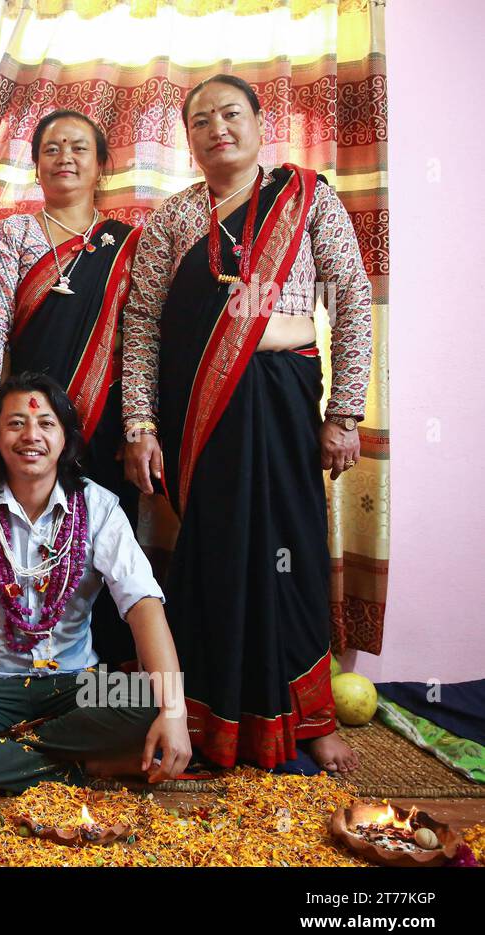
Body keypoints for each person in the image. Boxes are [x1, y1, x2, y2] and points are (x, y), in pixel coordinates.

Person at [120, 74, 373, 773]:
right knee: (215, 554)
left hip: (285, 400)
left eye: (230, 114)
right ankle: (211, 716)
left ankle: (312, 717)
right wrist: (140, 424)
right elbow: (140, 325)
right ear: (189, 138)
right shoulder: (172, 219)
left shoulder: (308, 196)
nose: (216, 129)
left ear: (261, 124)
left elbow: (350, 301)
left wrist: (345, 412)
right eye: (200, 120)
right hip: (199, 415)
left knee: (291, 551)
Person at [0, 371, 190, 794]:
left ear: (66, 439)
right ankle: (81, 767)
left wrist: (175, 712)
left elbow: (142, 602)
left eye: (46, 424)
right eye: (15, 423)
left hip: (77, 683)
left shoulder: (99, 506)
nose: (30, 435)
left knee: (150, 704)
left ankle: (11, 753)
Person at [0, 109, 142, 666]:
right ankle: (6, 668)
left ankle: (108, 681)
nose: (64, 158)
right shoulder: (12, 236)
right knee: (19, 546)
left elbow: (142, 341)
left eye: (79, 148)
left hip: (104, 427)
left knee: (105, 549)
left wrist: (141, 426)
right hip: (28, 429)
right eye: (51, 148)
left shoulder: (128, 244)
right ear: (37, 165)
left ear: (101, 167)